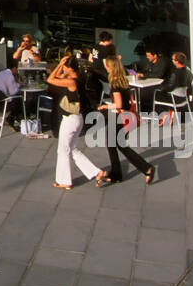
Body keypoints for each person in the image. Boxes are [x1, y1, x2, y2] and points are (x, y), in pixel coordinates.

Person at [95, 57, 154, 187]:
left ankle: (123, 173)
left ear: (110, 68)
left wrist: (105, 106)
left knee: (114, 145)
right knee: (118, 145)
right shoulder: (123, 81)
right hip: (126, 117)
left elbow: (118, 104)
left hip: (119, 117)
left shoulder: (115, 84)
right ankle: (137, 170)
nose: (105, 68)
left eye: (106, 66)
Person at [47, 56, 102, 189]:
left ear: (69, 68)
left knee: (63, 150)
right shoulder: (79, 77)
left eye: (65, 67)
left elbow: (50, 79)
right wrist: (61, 67)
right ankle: (96, 172)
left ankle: (65, 180)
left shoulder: (71, 81)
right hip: (78, 118)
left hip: (70, 120)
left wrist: (60, 65)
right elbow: (58, 77)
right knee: (73, 149)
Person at [0, 60, 23, 130]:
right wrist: (18, 84)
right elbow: (13, 92)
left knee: (18, 98)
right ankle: (11, 118)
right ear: (14, 68)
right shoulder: (9, 76)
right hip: (3, 101)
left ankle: (15, 118)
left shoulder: (1, 73)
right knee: (20, 99)